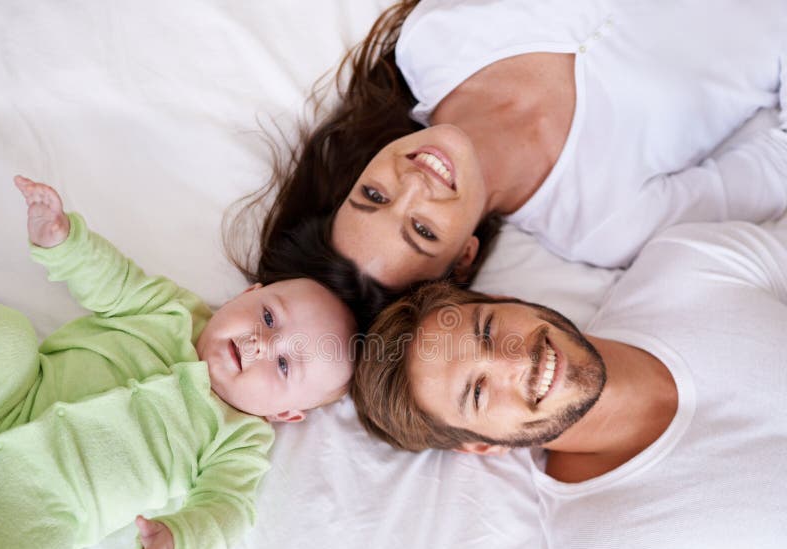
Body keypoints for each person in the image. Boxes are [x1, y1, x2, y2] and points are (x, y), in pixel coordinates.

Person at [351, 219, 787, 549]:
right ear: (483, 445)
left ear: (508, 301)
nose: (515, 361)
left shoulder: (688, 267)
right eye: (478, 392)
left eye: (487, 330)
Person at [228, 0, 787, 322]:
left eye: (373, 196)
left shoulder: (432, 43)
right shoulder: (603, 223)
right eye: (421, 230)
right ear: (463, 257)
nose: (414, 185)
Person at [0, 176, 356, 549]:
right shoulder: (174, 309)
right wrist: (63, 241)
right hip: (15, 394)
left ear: (285, 413)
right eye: (269, 317)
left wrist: (178, 542)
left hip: (41, 498)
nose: (260, 343)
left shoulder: (239, 441)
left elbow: (228, 511)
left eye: (283, 366)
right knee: (7, 338)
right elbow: (115, 282)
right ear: (248, 293)